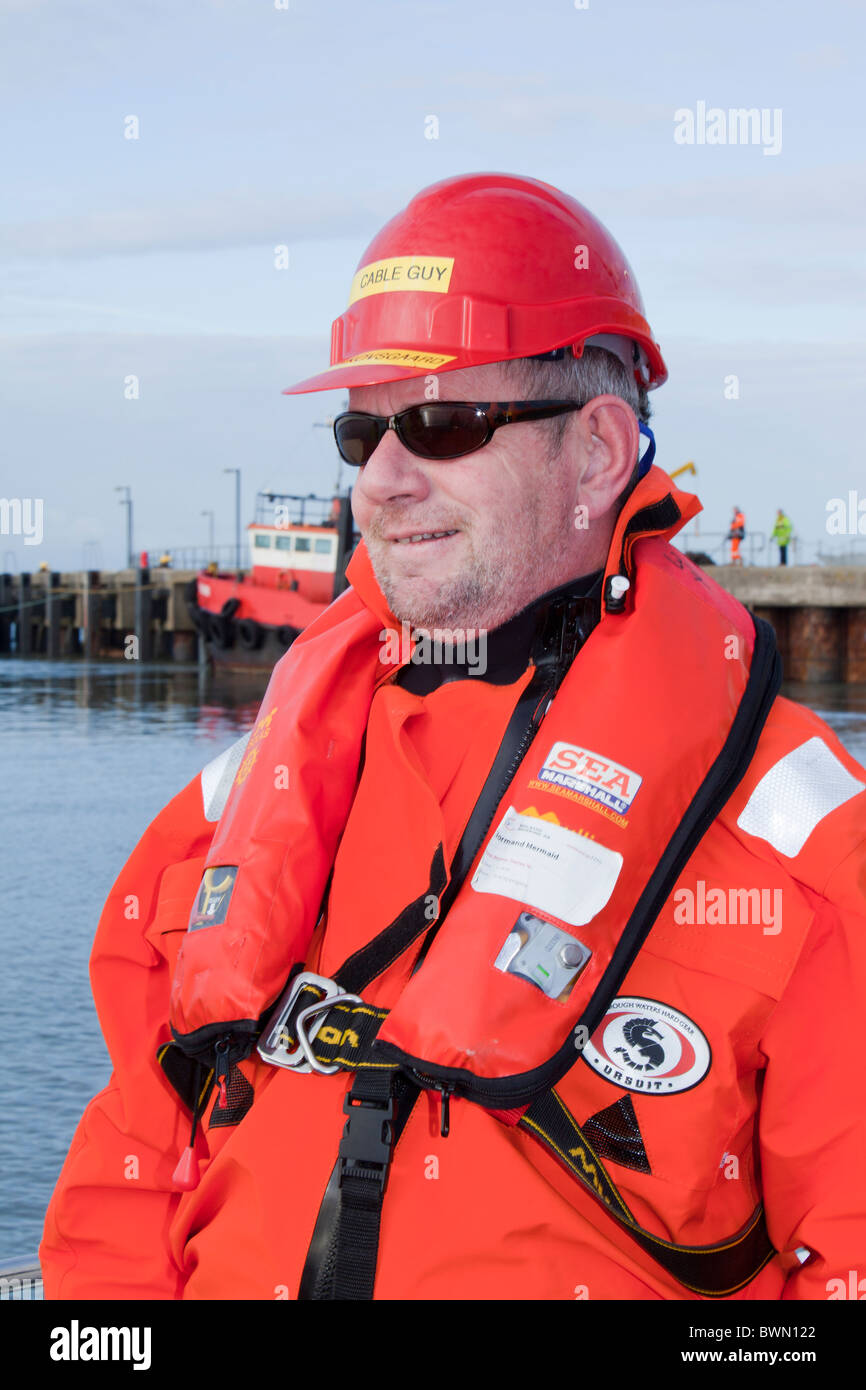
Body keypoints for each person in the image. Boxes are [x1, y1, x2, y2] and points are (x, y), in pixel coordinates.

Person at [41, 173, 866, 1302]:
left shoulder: (807, 852)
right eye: (359, 430)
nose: (379, 481)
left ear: (595, 451)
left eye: (440, 422)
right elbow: (127, 1178)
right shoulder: (236, 800)